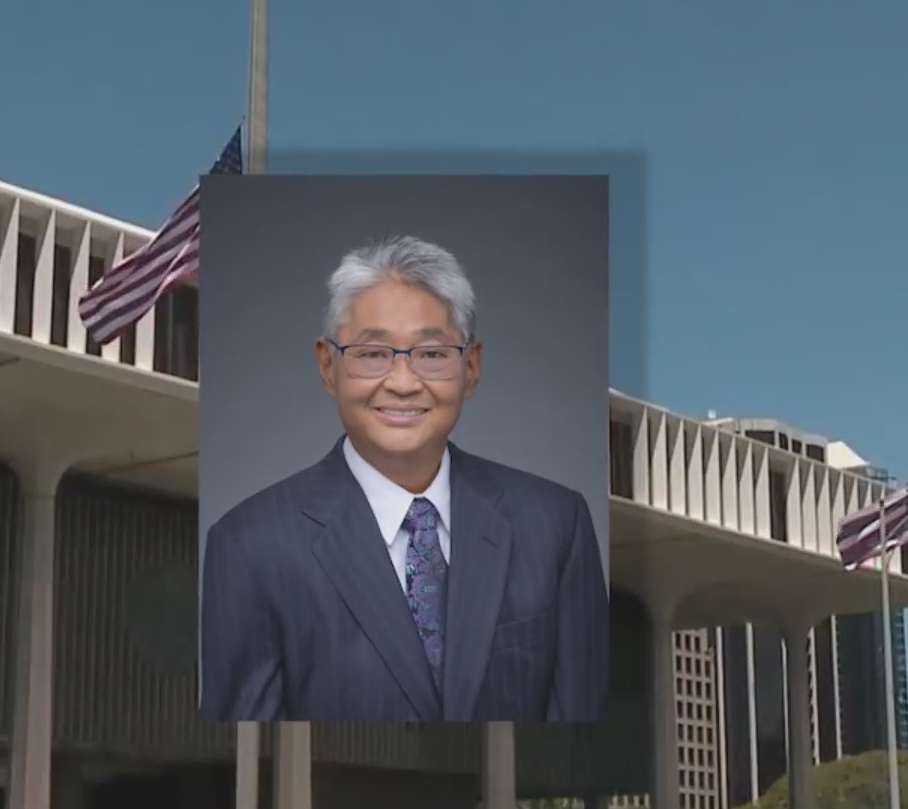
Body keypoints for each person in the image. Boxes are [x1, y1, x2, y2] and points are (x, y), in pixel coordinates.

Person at [199, 236, 607, 722]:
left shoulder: (556, 526)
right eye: (372, 354)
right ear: (328, 366)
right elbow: (248, 763)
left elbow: (580, 727)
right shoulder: (251, 546)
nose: (403, 382)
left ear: (470, 367)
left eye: (432, 354)